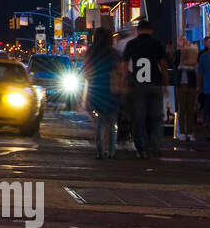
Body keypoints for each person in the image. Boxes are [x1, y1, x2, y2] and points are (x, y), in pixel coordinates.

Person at [122, 18, 170, 159]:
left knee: (139, 117)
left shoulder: (131, 44)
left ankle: (142, 148)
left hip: (138, 84)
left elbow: (124, 65)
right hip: (155, 83)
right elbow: (164, 65)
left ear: (138, 30)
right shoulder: (156, 44)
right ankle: (155, 145)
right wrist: (165, 83)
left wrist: (128, 78)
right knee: (156, 117)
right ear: (151, 30)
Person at [83, 28, 119, 159]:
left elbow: (86, 72)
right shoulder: (113, 53)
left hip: (96, 89)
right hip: (111, 88)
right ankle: (111, 151)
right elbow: (118, 71)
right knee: (112, 122)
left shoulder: (91, 52)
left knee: (100, 121)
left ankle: (100, 151)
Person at [174, 40, 199, 142]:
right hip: (181, 84)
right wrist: (181, 54)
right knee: (182, 108)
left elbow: (195, 66)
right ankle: (182, 131)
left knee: (190, 109)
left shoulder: (193, 53)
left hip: (191, 84)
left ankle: (190, 131)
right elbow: (175, 64)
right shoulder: (178, 54)